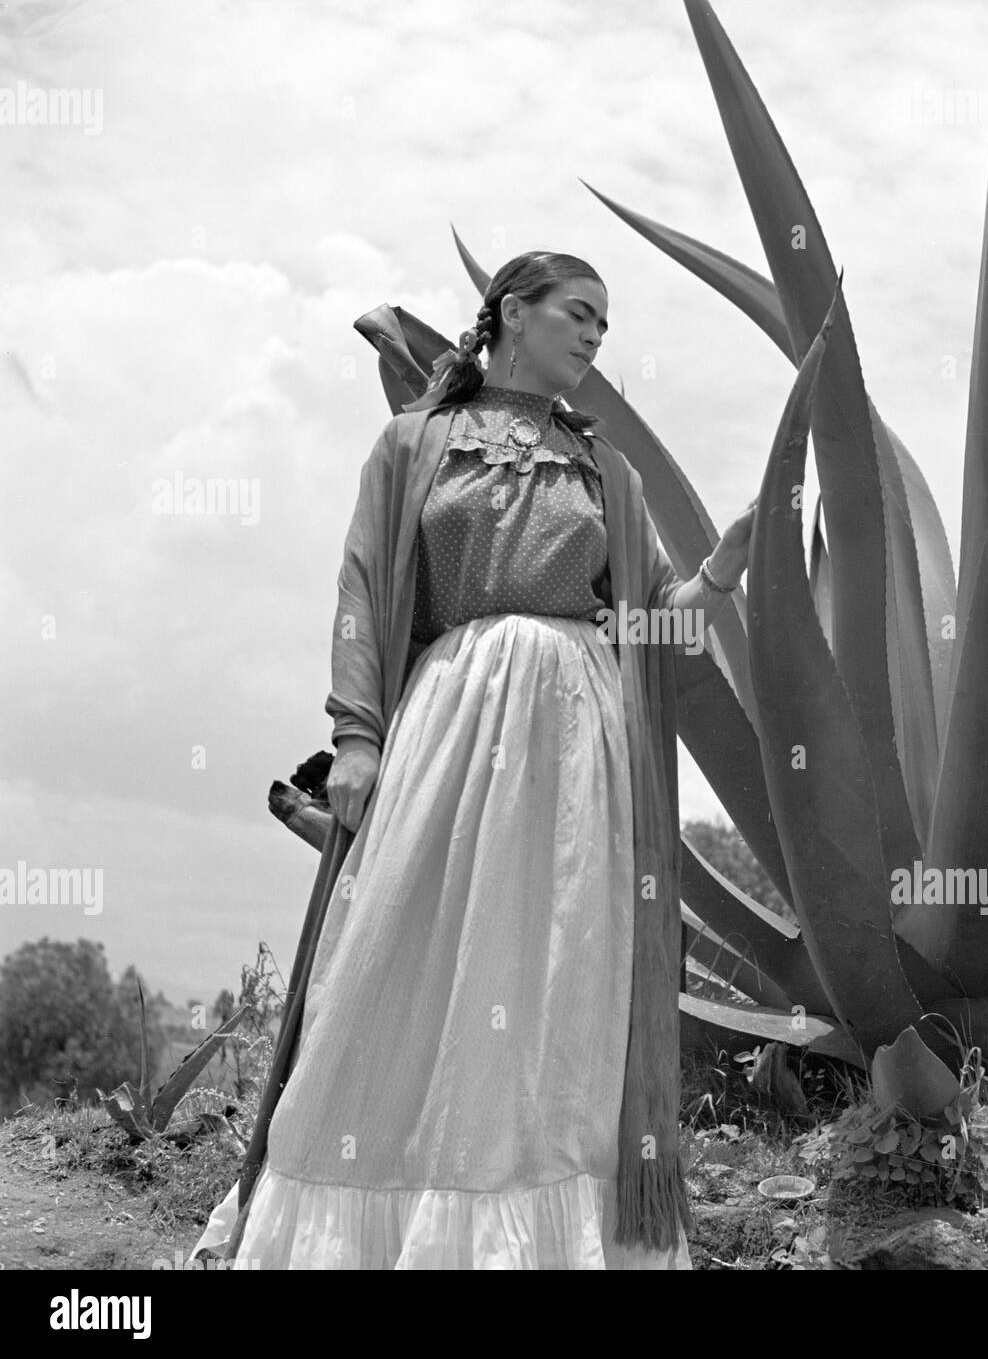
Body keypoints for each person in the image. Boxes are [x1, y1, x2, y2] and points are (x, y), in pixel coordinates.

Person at [188, 250, 756, 1268]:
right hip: (448, 725)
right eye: (578, 314)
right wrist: (356, 739)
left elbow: (652, 626)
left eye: (604, 326)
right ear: (511, 313)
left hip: (578, 747)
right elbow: (365, 590)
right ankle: (368, 1231)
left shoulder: (605, 471)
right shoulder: (413, 446)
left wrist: (718, 574)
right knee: (390, 956)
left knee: (555, 970)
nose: (592, 336)